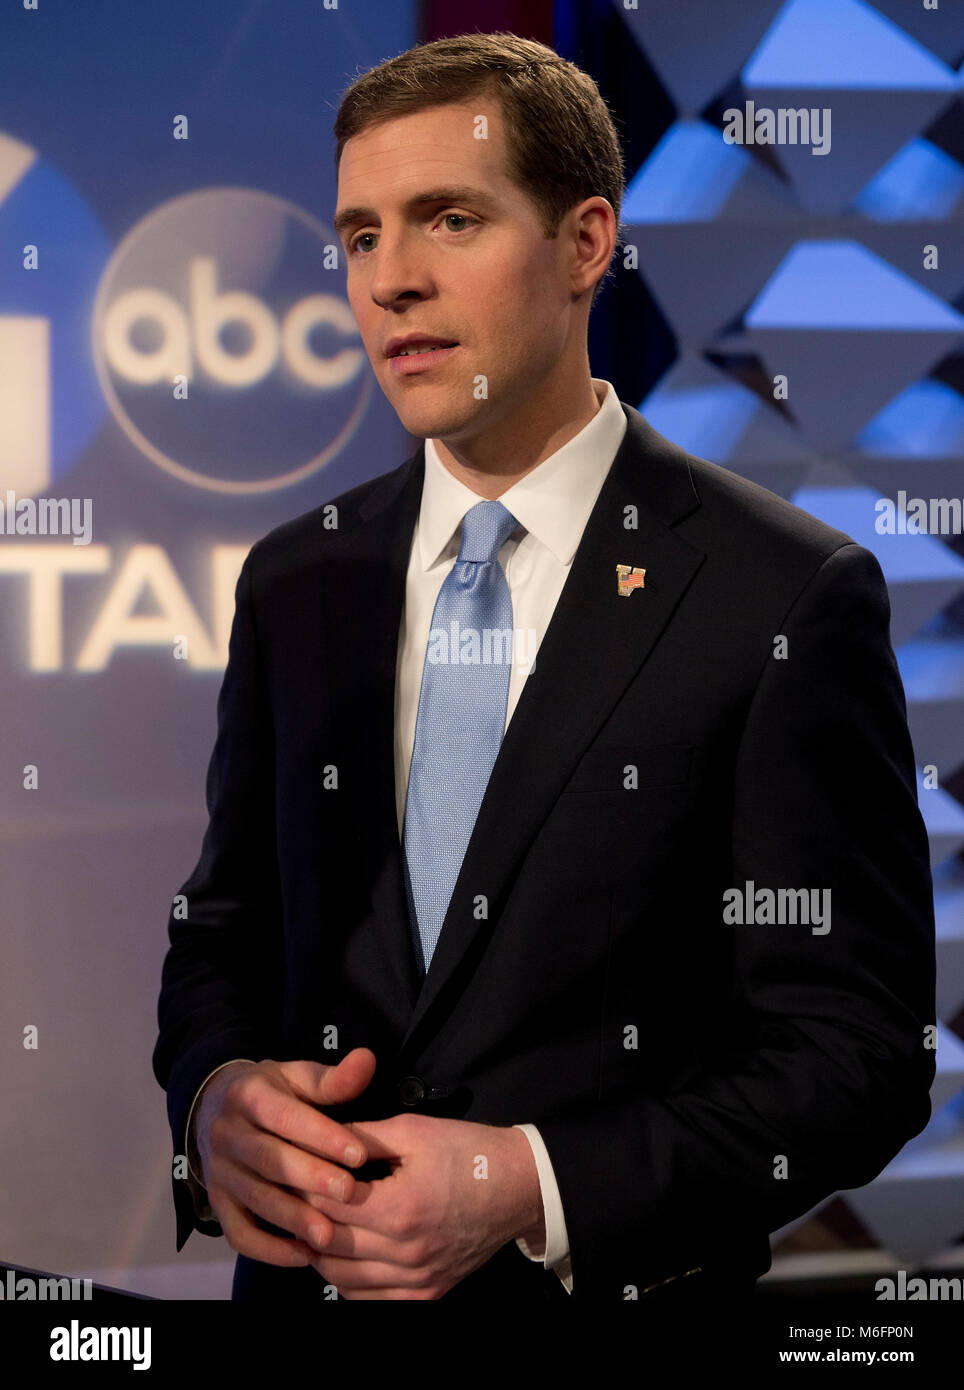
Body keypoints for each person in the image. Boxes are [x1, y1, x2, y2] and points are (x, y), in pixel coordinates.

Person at [152, 32, 936, 1304]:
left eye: (448, 219)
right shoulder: (298, 580)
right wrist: (216, 1102)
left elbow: (856, 1054)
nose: (391, 280)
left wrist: (530, 1185)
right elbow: (224, 933)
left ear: (585, 245)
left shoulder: (781, 593)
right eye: (358, 238)